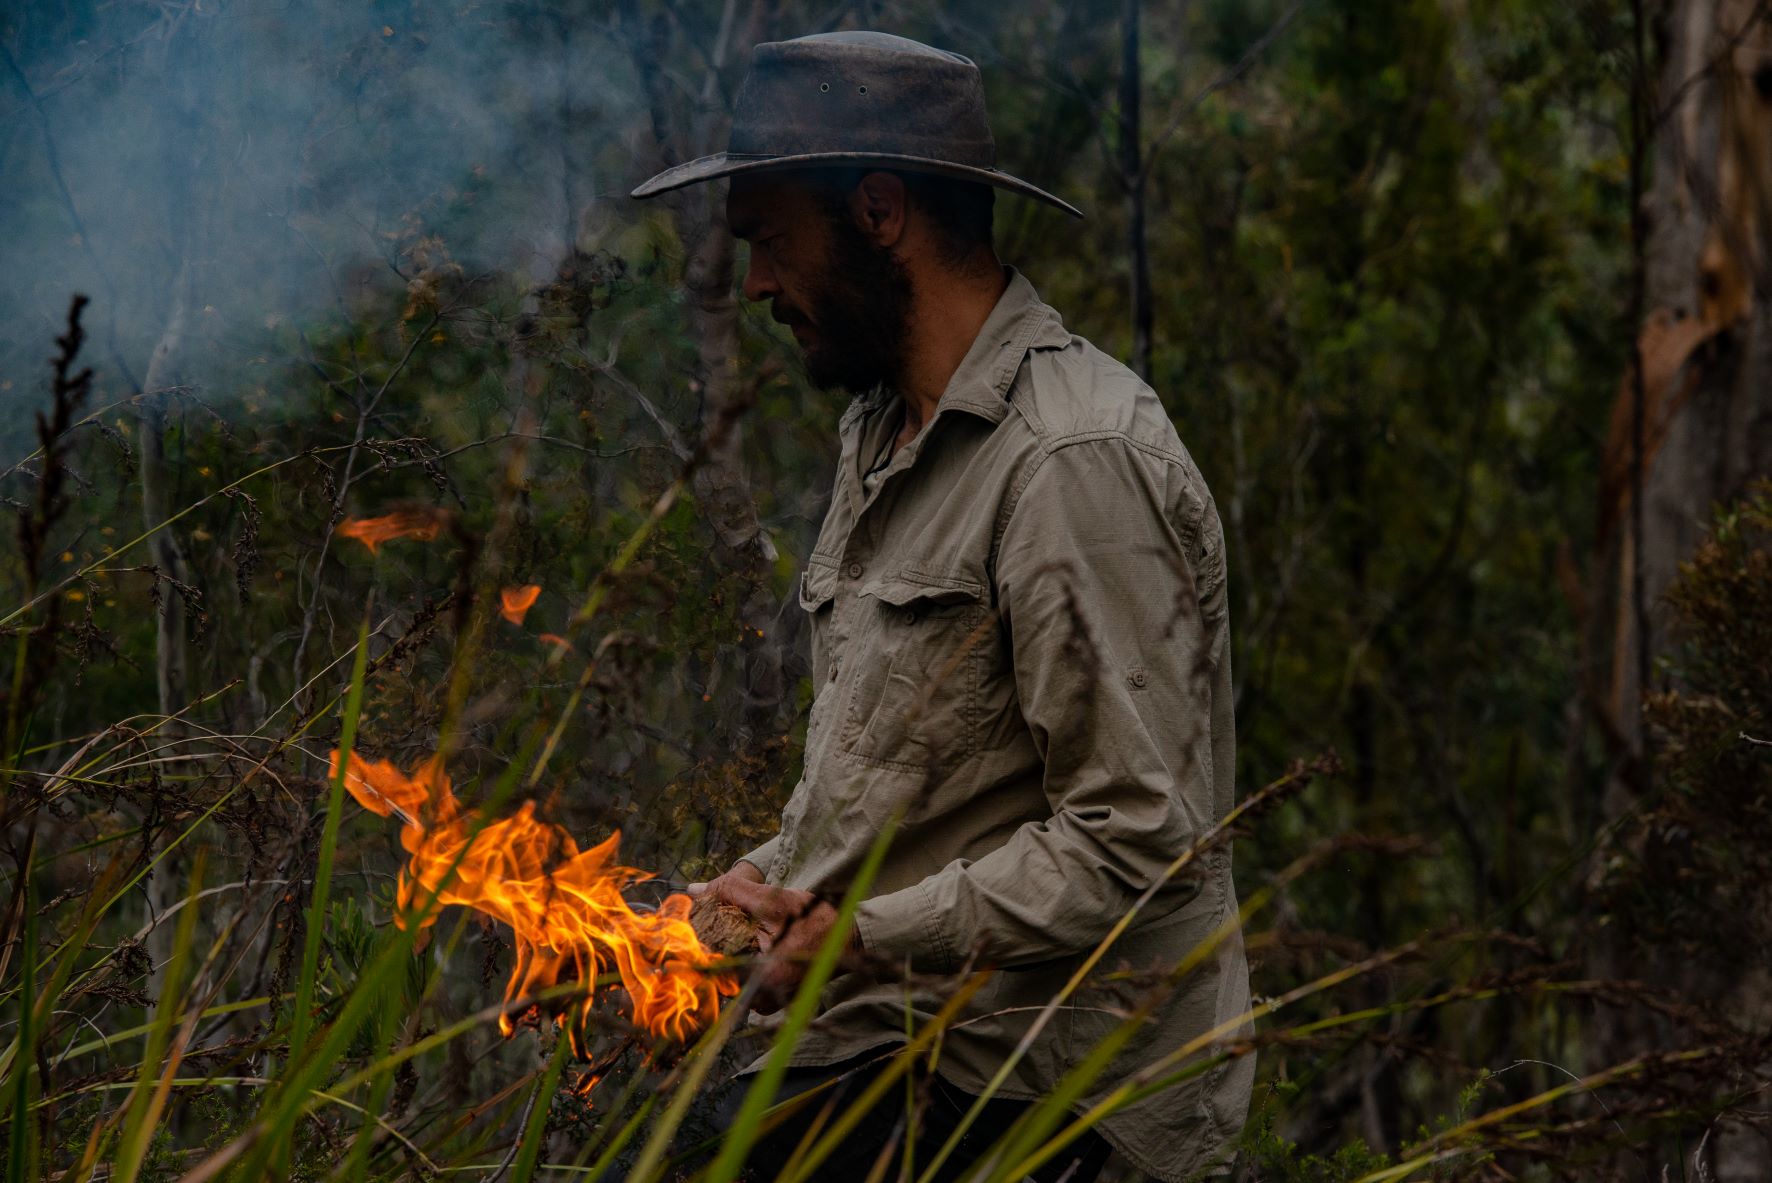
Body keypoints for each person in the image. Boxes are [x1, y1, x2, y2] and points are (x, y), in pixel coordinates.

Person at [634, 30, 1252, 1183]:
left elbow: (1137, 844)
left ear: (878, 211)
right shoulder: (879, 431)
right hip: (889, 1052)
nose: (758, 285)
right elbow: (907, 793)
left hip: (1042, 1098)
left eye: (771, 242)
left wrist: (856, 937)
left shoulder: (1070, 459)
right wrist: (772, 889)